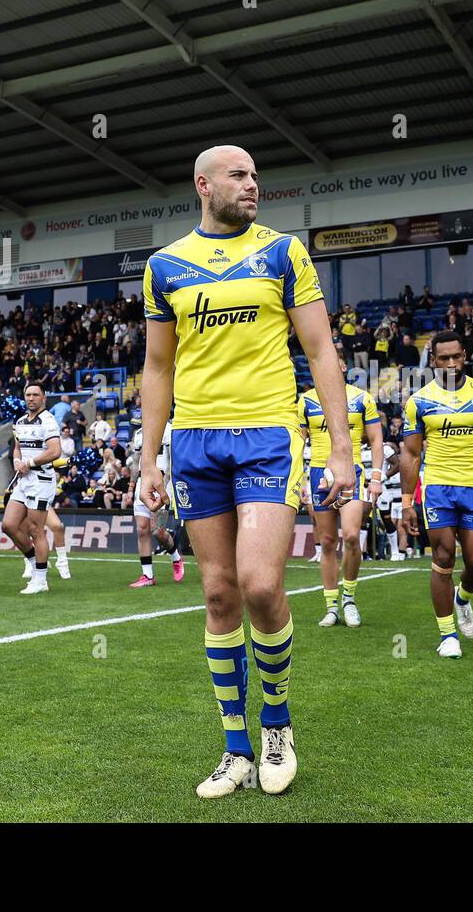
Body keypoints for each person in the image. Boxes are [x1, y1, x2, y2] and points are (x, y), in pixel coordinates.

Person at [137, 145, 352, 800]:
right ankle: (234, 750)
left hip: (269, 436)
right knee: (219, 595)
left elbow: (320, 348)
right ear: (204, 185)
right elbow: (157, 366)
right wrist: (148, 455)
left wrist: (340, 448)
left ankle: (278, 727)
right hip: (195, 442)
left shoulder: (284, 253)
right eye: (239, 175)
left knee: (261, 586)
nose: (253, 184)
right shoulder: (163, 266)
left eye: (256, 175)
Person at [400, 331, 473, 659]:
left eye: (456, 357)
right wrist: (407, 503)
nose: (450, 363)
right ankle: (448, 635)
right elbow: (411, 455)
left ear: (465, 356)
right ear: (433, 360)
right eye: (443, 358)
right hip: (437, 489)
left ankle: (462, 598)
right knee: (444, 556)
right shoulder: (419, 400)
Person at [298, 365, 384, 628]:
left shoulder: (361, 398)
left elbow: (377, 439)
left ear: (344, 367)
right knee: (325, 542)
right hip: (317, 476)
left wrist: (377, 477)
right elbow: (298, 441)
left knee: (350, 535)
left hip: (353, 472)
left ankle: (349, 598)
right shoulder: (306, 400)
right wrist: (300, 480)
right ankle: (331, 606)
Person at [3, 383, 62, 595]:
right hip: (24, 481)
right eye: (28, 394)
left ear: (43, 398)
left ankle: (41, 580)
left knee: (36, 530)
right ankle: (31, 559)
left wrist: (28, 464)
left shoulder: (48, 420)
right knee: (8, 525)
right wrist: (17, 461)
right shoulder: (19, 422)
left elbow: (55, 451)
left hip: (41, 480)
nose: (31, 398)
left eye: (35, 395)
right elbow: (17, 448)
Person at [128, 408, 184, 587]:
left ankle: (175, 556)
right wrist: (130, 487)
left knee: (156, 530)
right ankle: (148, 576)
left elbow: (170, 463)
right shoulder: (139, 434)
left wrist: (164, 489)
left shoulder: (168, 431)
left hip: (161, 487)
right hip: (141, 488)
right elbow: (136, 463)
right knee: (142, 529)